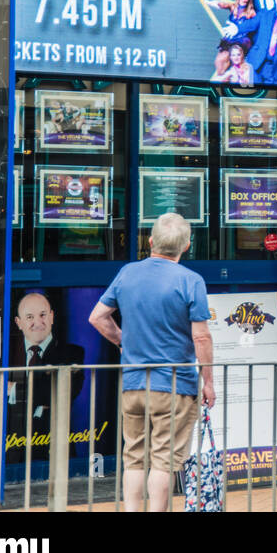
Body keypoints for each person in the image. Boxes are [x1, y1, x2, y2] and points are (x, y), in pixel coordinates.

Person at [89, 212, 215, 512]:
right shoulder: (190, 281)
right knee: (164, 461)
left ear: (149, 241)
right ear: (186, 245)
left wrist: (123, 342)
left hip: (133, 382)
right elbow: (201, 338)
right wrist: (209, 381)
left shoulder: (127, 273)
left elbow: (97, 317)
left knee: (133, 457)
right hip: (175, 385)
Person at [7, 292, 85, 456]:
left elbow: (61, 392)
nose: (37, 322)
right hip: (13, 445)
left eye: (43, 315)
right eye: (29, 317)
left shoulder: (73, 353)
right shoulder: (7, 354)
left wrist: (14, 389)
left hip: (54, 447)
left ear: (52, 316)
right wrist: (41, 395)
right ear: (18, 322)